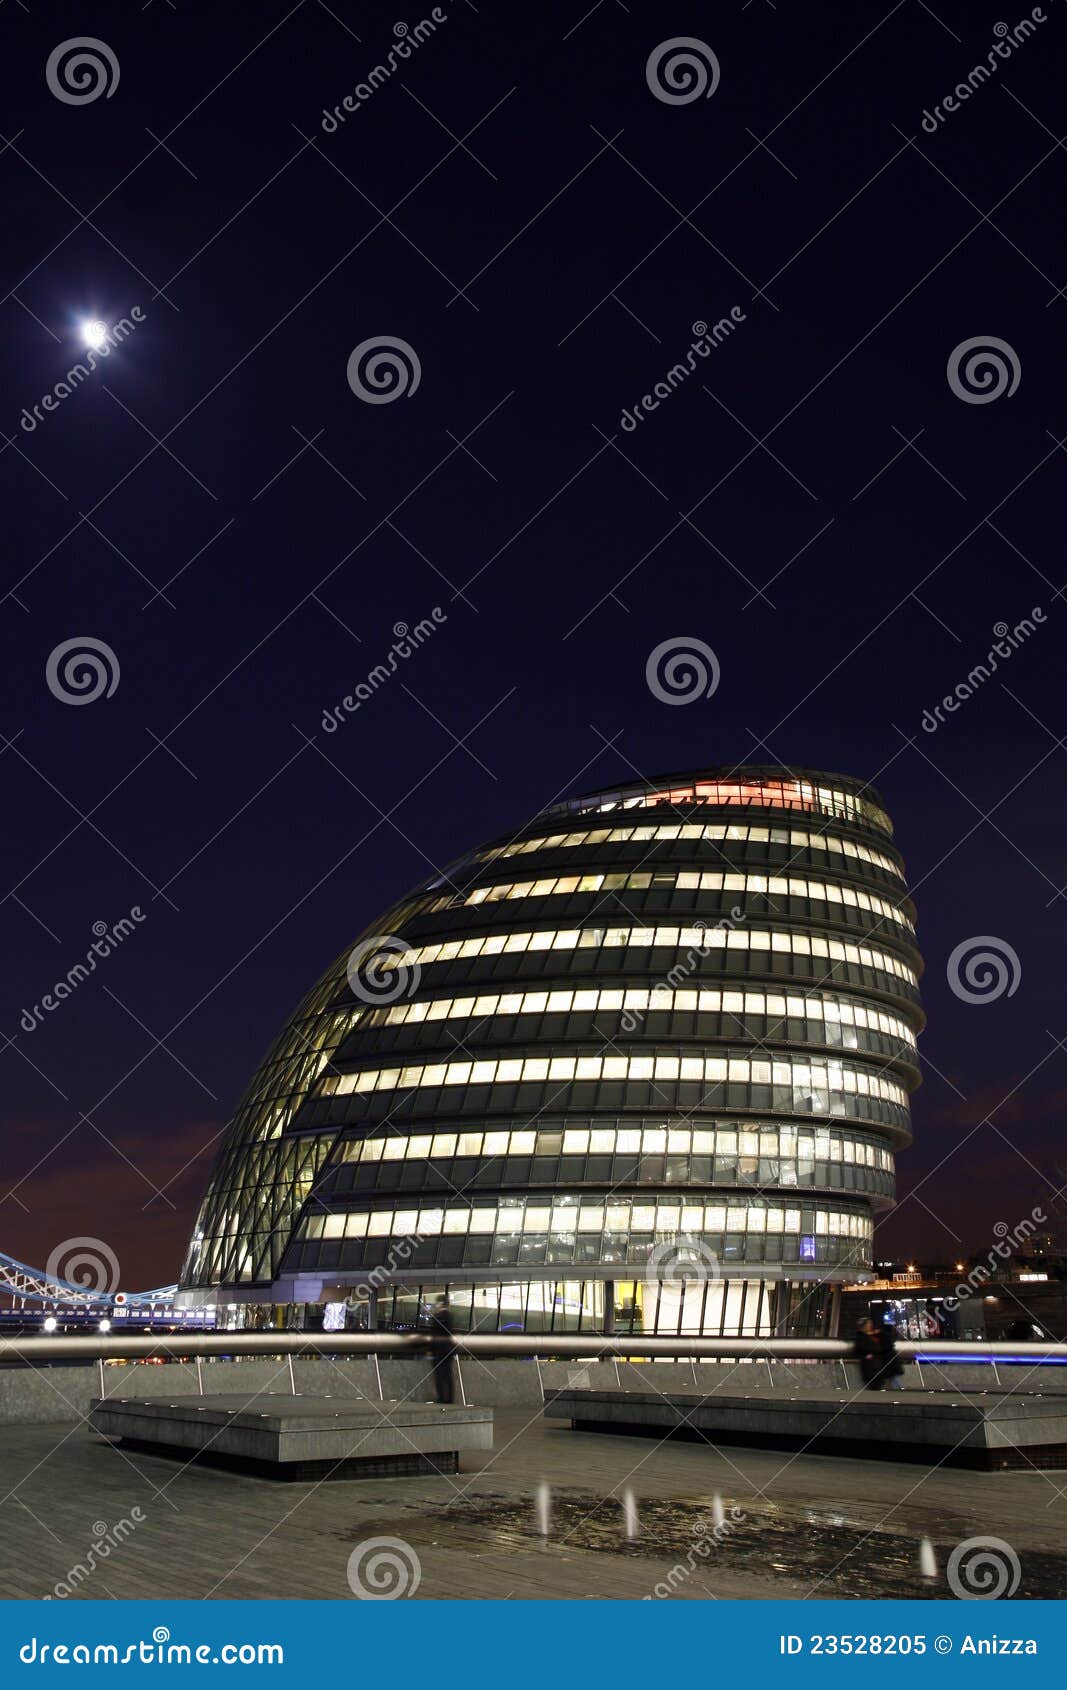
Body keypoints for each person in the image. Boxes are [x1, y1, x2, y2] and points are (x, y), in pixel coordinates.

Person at [426, 1294, 457, 1405]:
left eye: (437, 1302)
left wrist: (431, 1349)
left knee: (439, 1376)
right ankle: (449, 1399)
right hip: (448, 1350)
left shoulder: (439, 1317)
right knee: (447, 1376)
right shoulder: (450, 1316)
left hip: (439, 1351)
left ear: (441, 1303)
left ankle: (442, 1398)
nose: (436, 1304)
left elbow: (434, 1335)